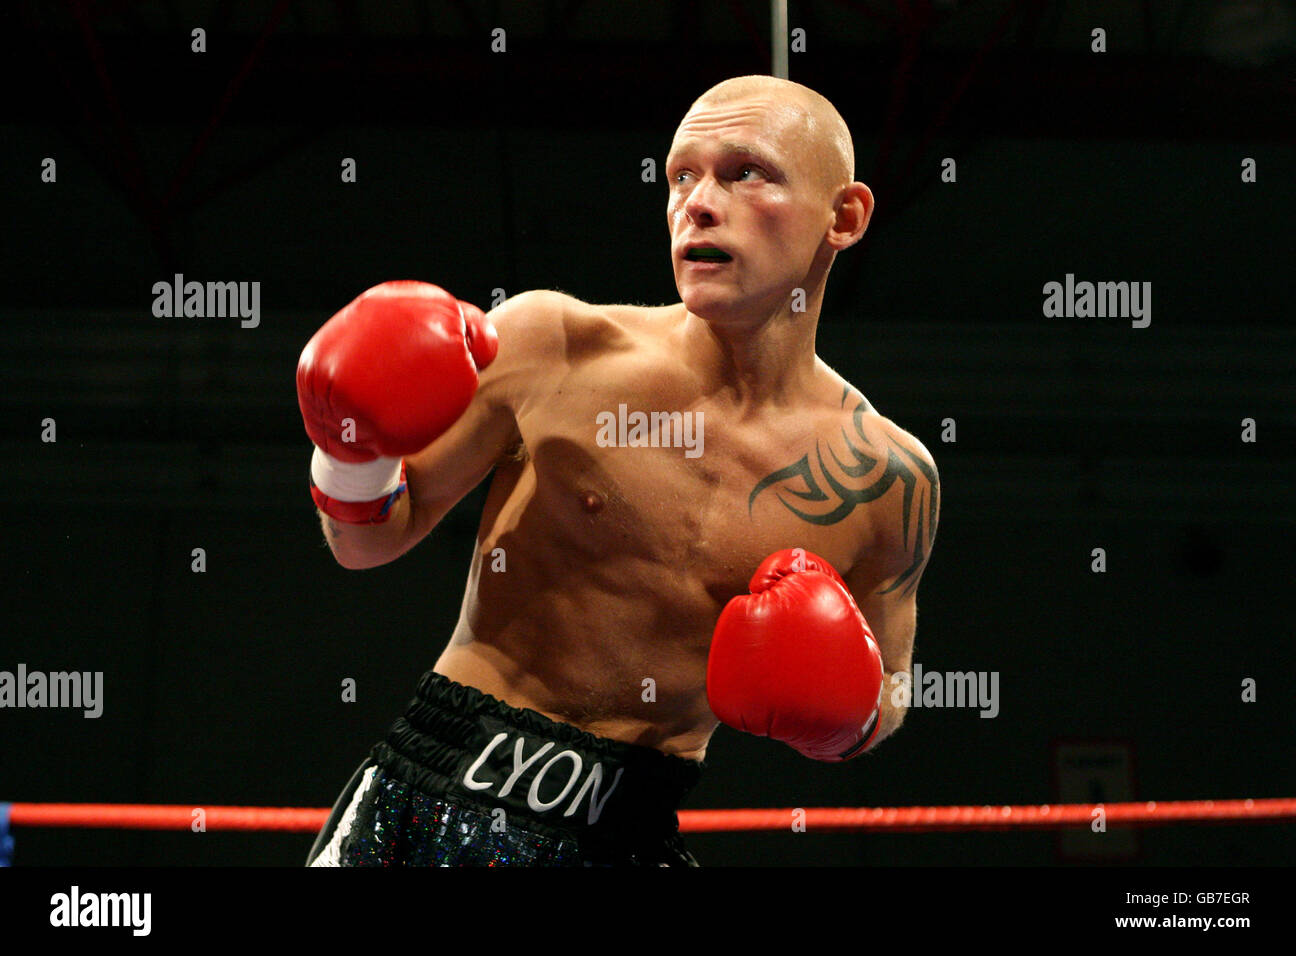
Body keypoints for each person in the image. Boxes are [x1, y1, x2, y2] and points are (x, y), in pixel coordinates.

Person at [297, 74, 939, 867]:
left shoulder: (888, 477)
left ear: (844, 217)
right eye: (681, 176)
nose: (698, 202)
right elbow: (363, 543)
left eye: (746, 171)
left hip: (629, 835)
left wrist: (842, 717)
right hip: (437, 796)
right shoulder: (552, 344)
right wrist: (352, 446)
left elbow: (893, 689)